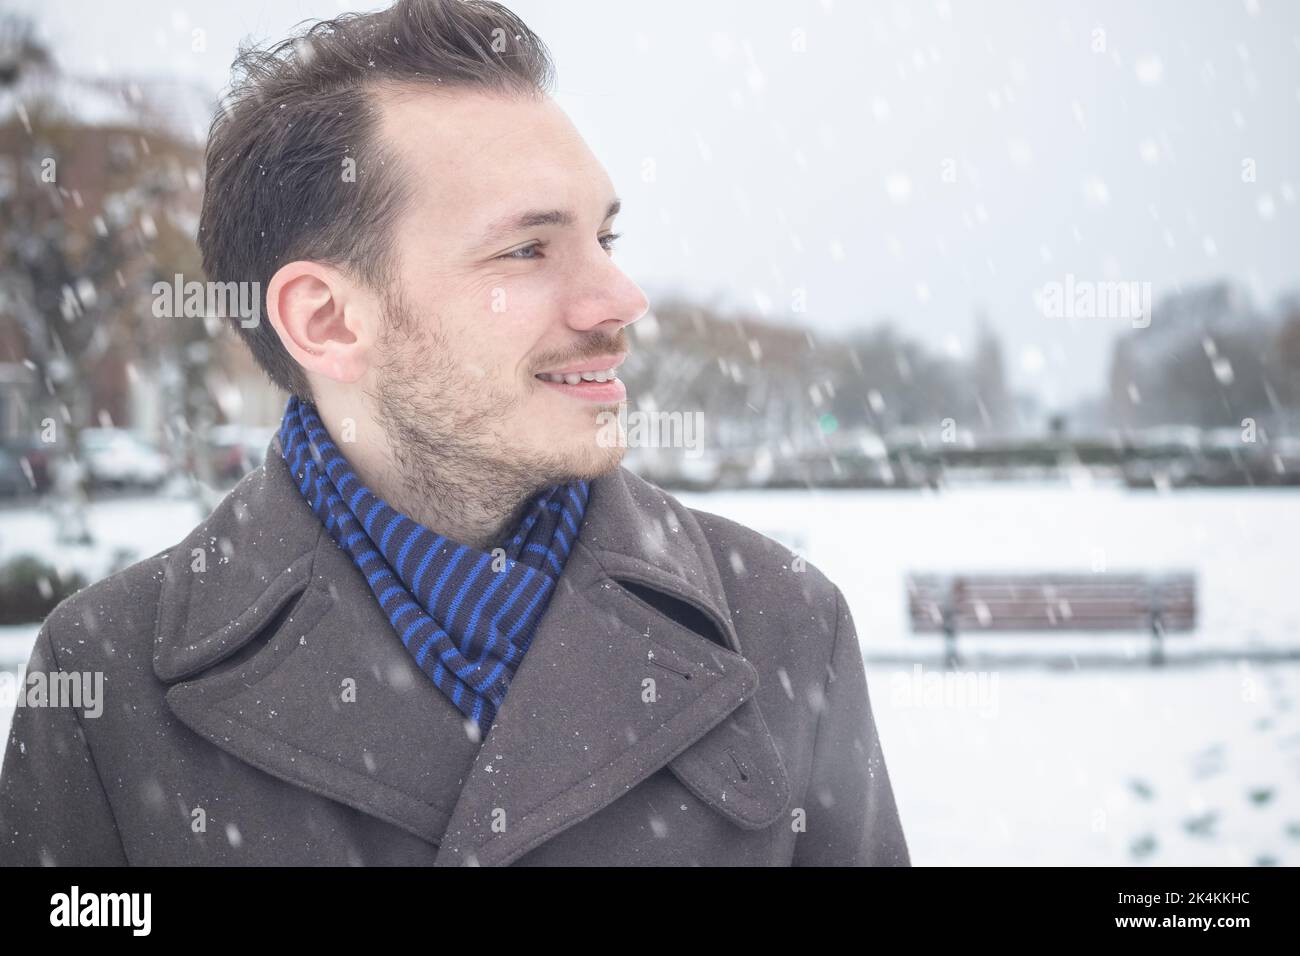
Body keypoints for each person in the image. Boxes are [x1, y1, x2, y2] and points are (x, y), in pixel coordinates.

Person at [0, 0, 908, 866]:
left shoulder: (785, 623)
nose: (623, 302)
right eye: (528, 248)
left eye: (605, 239)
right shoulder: (104, 679)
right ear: (325, 320)